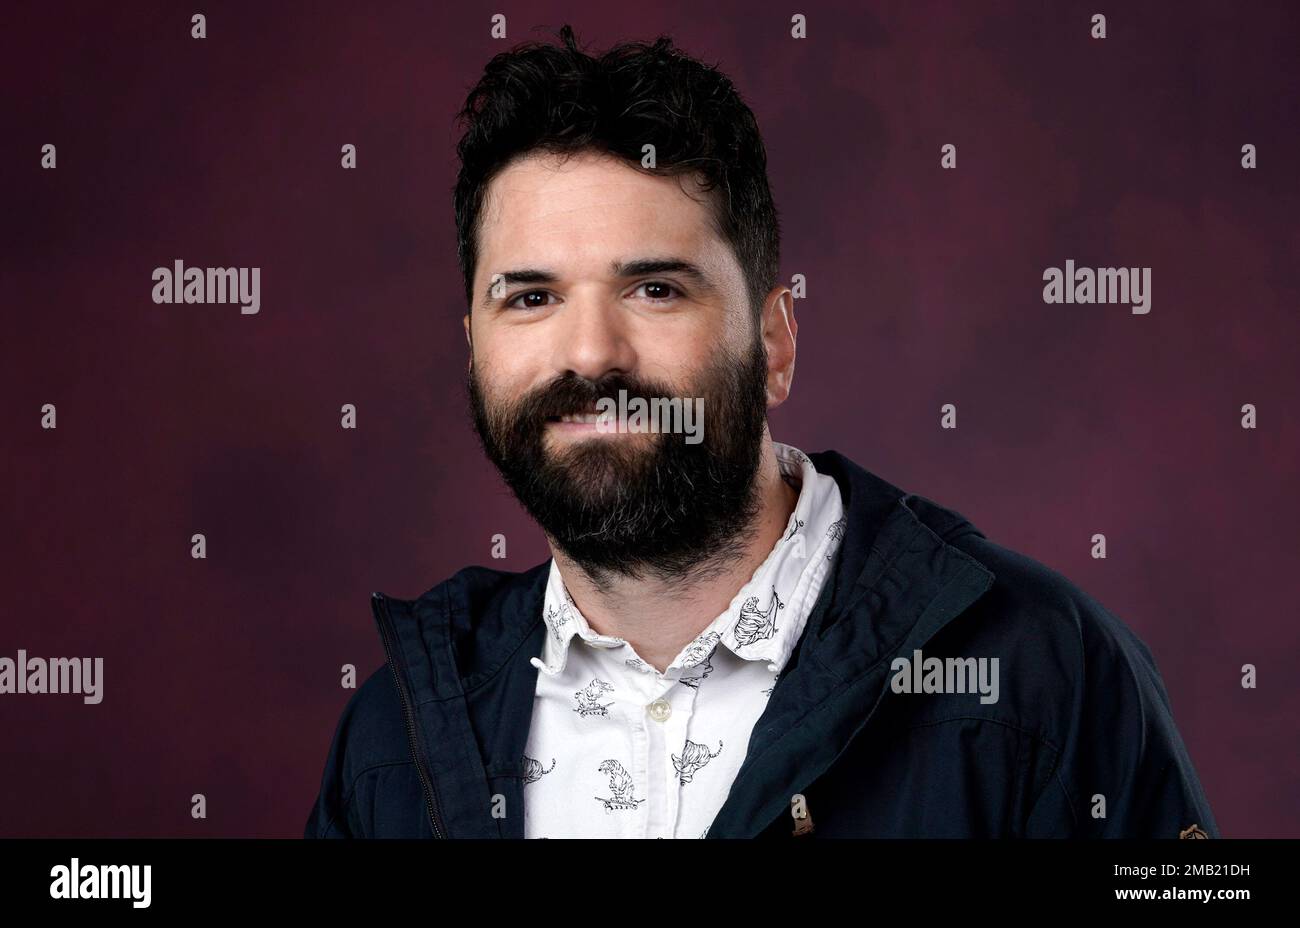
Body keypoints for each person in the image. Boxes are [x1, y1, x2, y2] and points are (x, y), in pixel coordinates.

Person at [304, 24, 1218, 839]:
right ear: (474, 351)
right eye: (532, 297)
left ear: (774, 343)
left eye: (655, 288)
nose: (590, 353)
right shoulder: (396, 741)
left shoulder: (1041, 675)